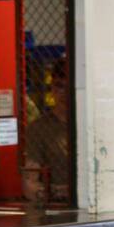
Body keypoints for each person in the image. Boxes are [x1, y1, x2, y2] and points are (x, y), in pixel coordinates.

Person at [22, 59, 71, 207]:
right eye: (59, 86)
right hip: (56, 206)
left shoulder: (92, 124)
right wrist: (54, 192)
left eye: (68, 87)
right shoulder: (39, 129)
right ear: (52, 88)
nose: (63, 93)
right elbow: (29, 184)